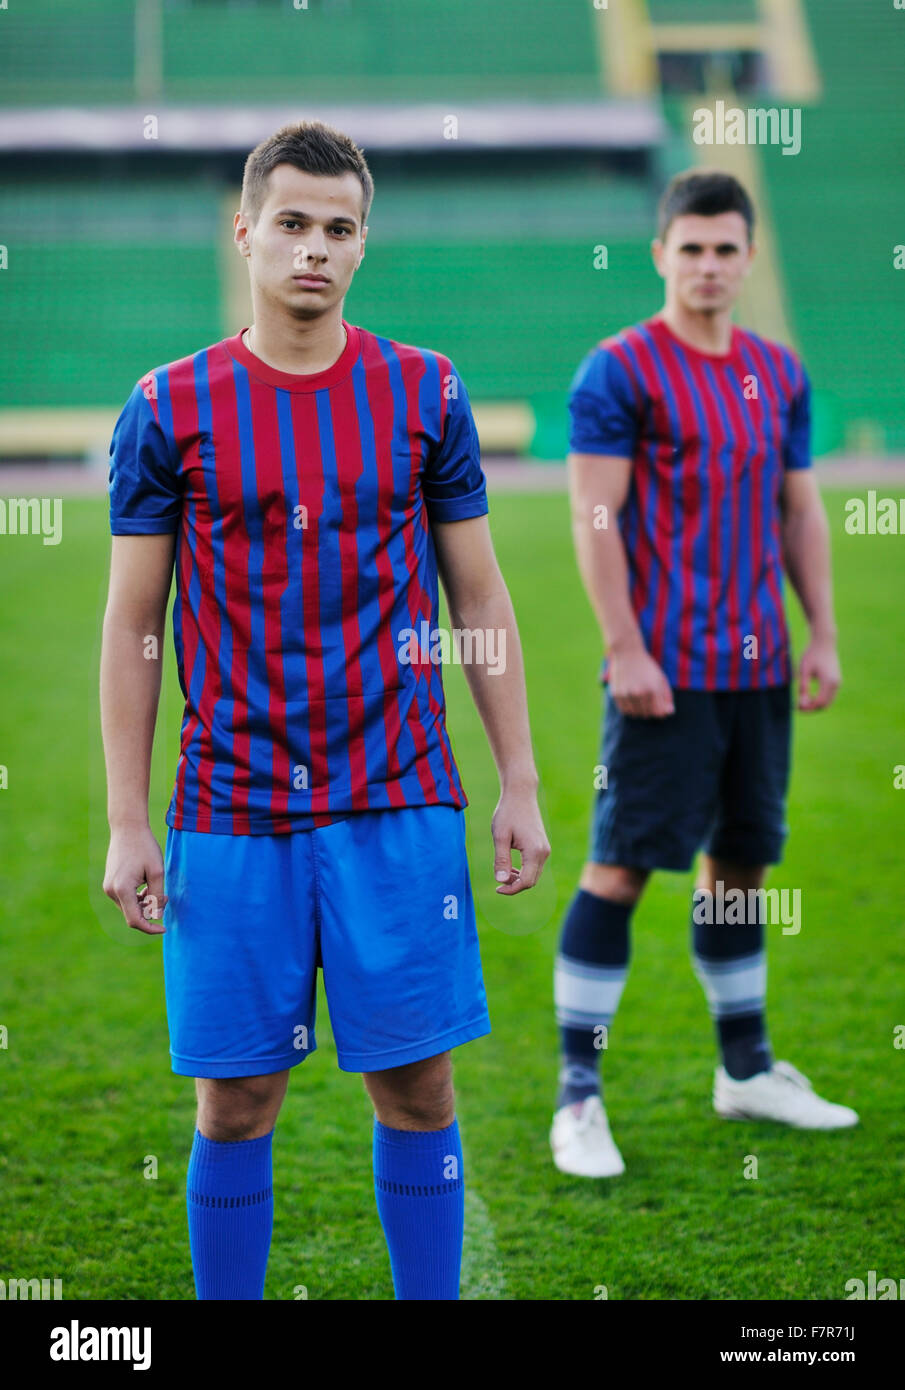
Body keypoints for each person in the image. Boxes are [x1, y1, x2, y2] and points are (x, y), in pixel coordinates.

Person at [101, 119, 549, 1296]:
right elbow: (133, 623)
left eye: (337, 228)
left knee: (419, 1086)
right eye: (290, 223)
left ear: (362, 246)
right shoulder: (167, 405)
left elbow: (478, 589)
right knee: (236, 1098)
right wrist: (126, 816)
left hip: (396, 797)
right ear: (243, 231)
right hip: (230, 803)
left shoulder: (425, 388)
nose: (313, 247)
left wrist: (518, 778)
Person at [552, 169, 857, 1179]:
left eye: (725, 248)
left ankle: (744, 1069)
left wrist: (817, 633)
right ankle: (577, 1094)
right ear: (659, 253)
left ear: (748, 255)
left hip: (757, 668)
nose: (708, 265)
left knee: (739, 867)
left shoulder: (778, 372)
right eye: (690, 247)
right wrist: (624, 644)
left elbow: (797, 509)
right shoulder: (618, 370)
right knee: (622, 867)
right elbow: (593, 515)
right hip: (663, 672)